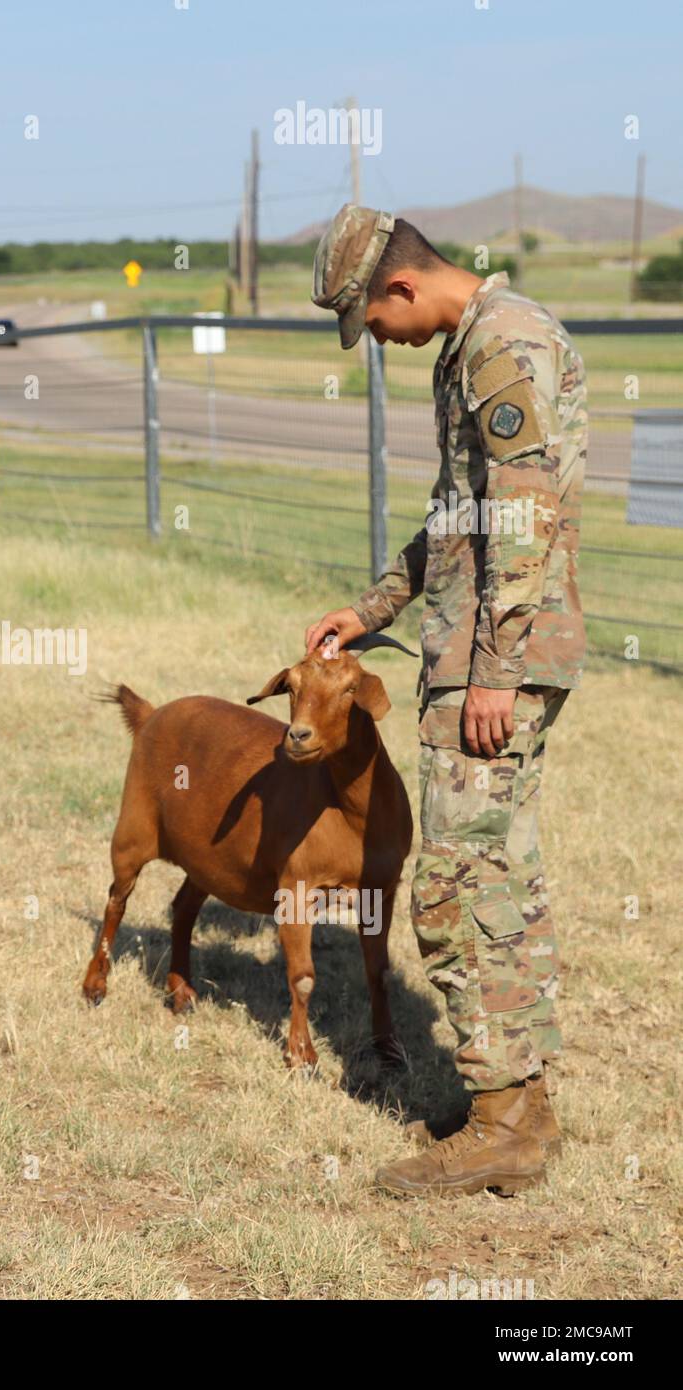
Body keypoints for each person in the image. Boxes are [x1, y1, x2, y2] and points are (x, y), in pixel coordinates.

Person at [305, 205, 585, 1196]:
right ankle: (521, 1113)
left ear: (402, 285)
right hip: (476, 653)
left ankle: (503, 1122)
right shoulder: (469, 348)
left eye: (371, 322)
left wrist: (498, 670)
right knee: (496, 881)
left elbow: (524, 516)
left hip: (491, 664)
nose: (375, 340)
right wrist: (371, 605)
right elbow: (453, 520)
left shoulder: (503, 347)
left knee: (458, 889)